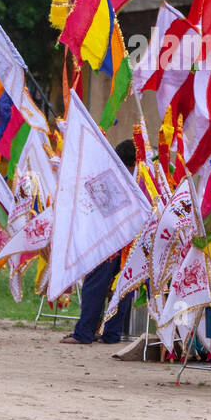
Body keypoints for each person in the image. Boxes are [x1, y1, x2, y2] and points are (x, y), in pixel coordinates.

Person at [60, 139, 139, 345]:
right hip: (129, 243)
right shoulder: (141, 182)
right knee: (119, 288)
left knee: (96, 287)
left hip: (109, 242)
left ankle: (85, 333)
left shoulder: (117, 179)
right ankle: (110, 334)